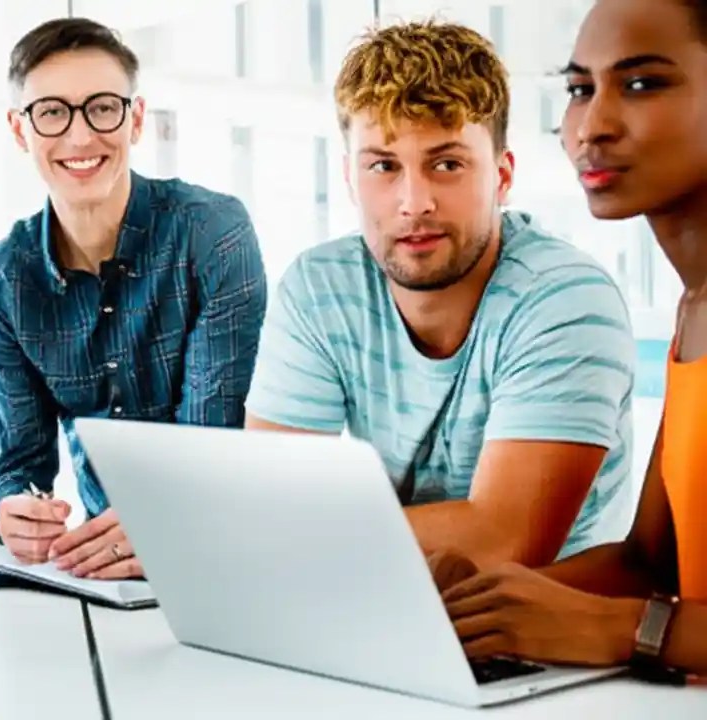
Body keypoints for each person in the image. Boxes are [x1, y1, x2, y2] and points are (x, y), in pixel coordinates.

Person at [244, 20, 637, 568]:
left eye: (447, 164)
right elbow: (267, 498)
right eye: (383, 166)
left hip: (542, 613)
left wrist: (283, 531)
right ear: (350, 178)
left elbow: (505, 541)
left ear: (502, 176)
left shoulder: (565, 299)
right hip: (376, 592)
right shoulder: (320, 288)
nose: (414, 203)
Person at [431, 0, 707, 680]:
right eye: (581, 89)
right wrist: (476, 606)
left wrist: (619, 629)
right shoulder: (694, 314)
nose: (593, 126)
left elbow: (633, 608)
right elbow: (649, 562)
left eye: (641, 83)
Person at [0, 18, 266, 579]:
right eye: (52, 112)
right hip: (104, 571)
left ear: (135, 119)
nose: (80, 137)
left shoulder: (213, 234)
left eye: (103, 108)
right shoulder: (3, 281)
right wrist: (15, 511)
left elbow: (213, 448)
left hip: (225, 552)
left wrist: (165, 527)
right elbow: (19, 461)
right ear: (19, 129)